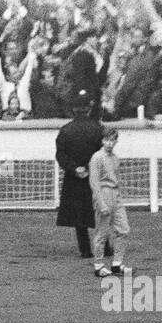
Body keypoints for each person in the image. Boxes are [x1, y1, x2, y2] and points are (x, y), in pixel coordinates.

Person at [55, 90, 105, 260]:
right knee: (99, 212)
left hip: (74, 178)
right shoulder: (98, 129)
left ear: (73, 110)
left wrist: (75, 169)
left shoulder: (66, 130)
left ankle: (85, 250)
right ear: (89, 109)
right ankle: (105, 247)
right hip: (95, 177)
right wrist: (91, 169)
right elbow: (104, 153)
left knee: (79, 215)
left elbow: (60, 155)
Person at [88, 126, 129, 279]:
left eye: (113, 140)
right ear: (102, 141)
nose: (110, 143)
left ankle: (117, 263)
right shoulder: (97, 158)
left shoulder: (115, 158)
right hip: (103, 194)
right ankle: (98, 265)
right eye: (107, 140)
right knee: (101, 232)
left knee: (123, 229)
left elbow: (116, 179)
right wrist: (101, 203)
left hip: (115, 195)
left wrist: (119, 197)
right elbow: (94, 182)